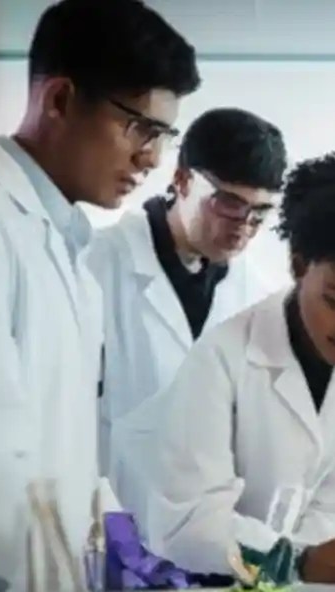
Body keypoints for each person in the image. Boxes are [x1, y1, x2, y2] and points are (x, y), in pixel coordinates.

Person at [0, 0, 200, 592]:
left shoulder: (65, 243)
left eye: (164, 135)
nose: (152, 158)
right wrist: (80, 573)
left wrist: (116, 532)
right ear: (58, 100)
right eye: (140, 127)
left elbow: (60, 443)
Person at [143, 154, 335, 583]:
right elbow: (189, 520)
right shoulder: (223, 355)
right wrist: (293, 559)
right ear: (298, 266)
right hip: (217, 588)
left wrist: (306, 564)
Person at [88, 107, 287, 523]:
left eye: (260, 213)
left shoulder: (262, 298)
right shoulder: (96, 266)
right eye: (229, 203)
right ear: (181, 180)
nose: (243, 227)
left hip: (215, 541)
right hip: (108, 535)